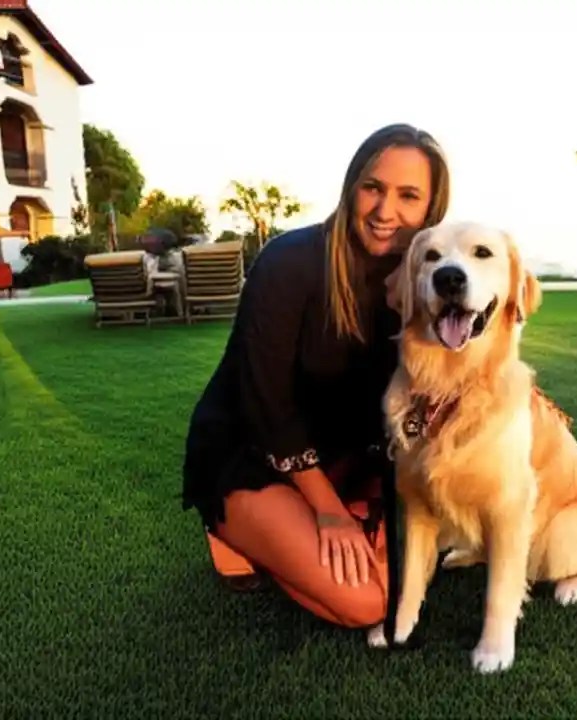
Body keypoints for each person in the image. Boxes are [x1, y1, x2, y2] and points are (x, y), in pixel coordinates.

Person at [181, 123, 451, 629]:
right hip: (255, 455)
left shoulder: (422, 284)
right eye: (373, 187)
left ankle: (317, 519)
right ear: (352, 187)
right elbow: (267, 409)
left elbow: (444, 373)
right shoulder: (288, 263)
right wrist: (328, 512)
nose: (384, 210)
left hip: (348, 456)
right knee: (370, 604)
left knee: (407, 574)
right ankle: (231, 529)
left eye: (408, 196)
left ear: (430, 211)